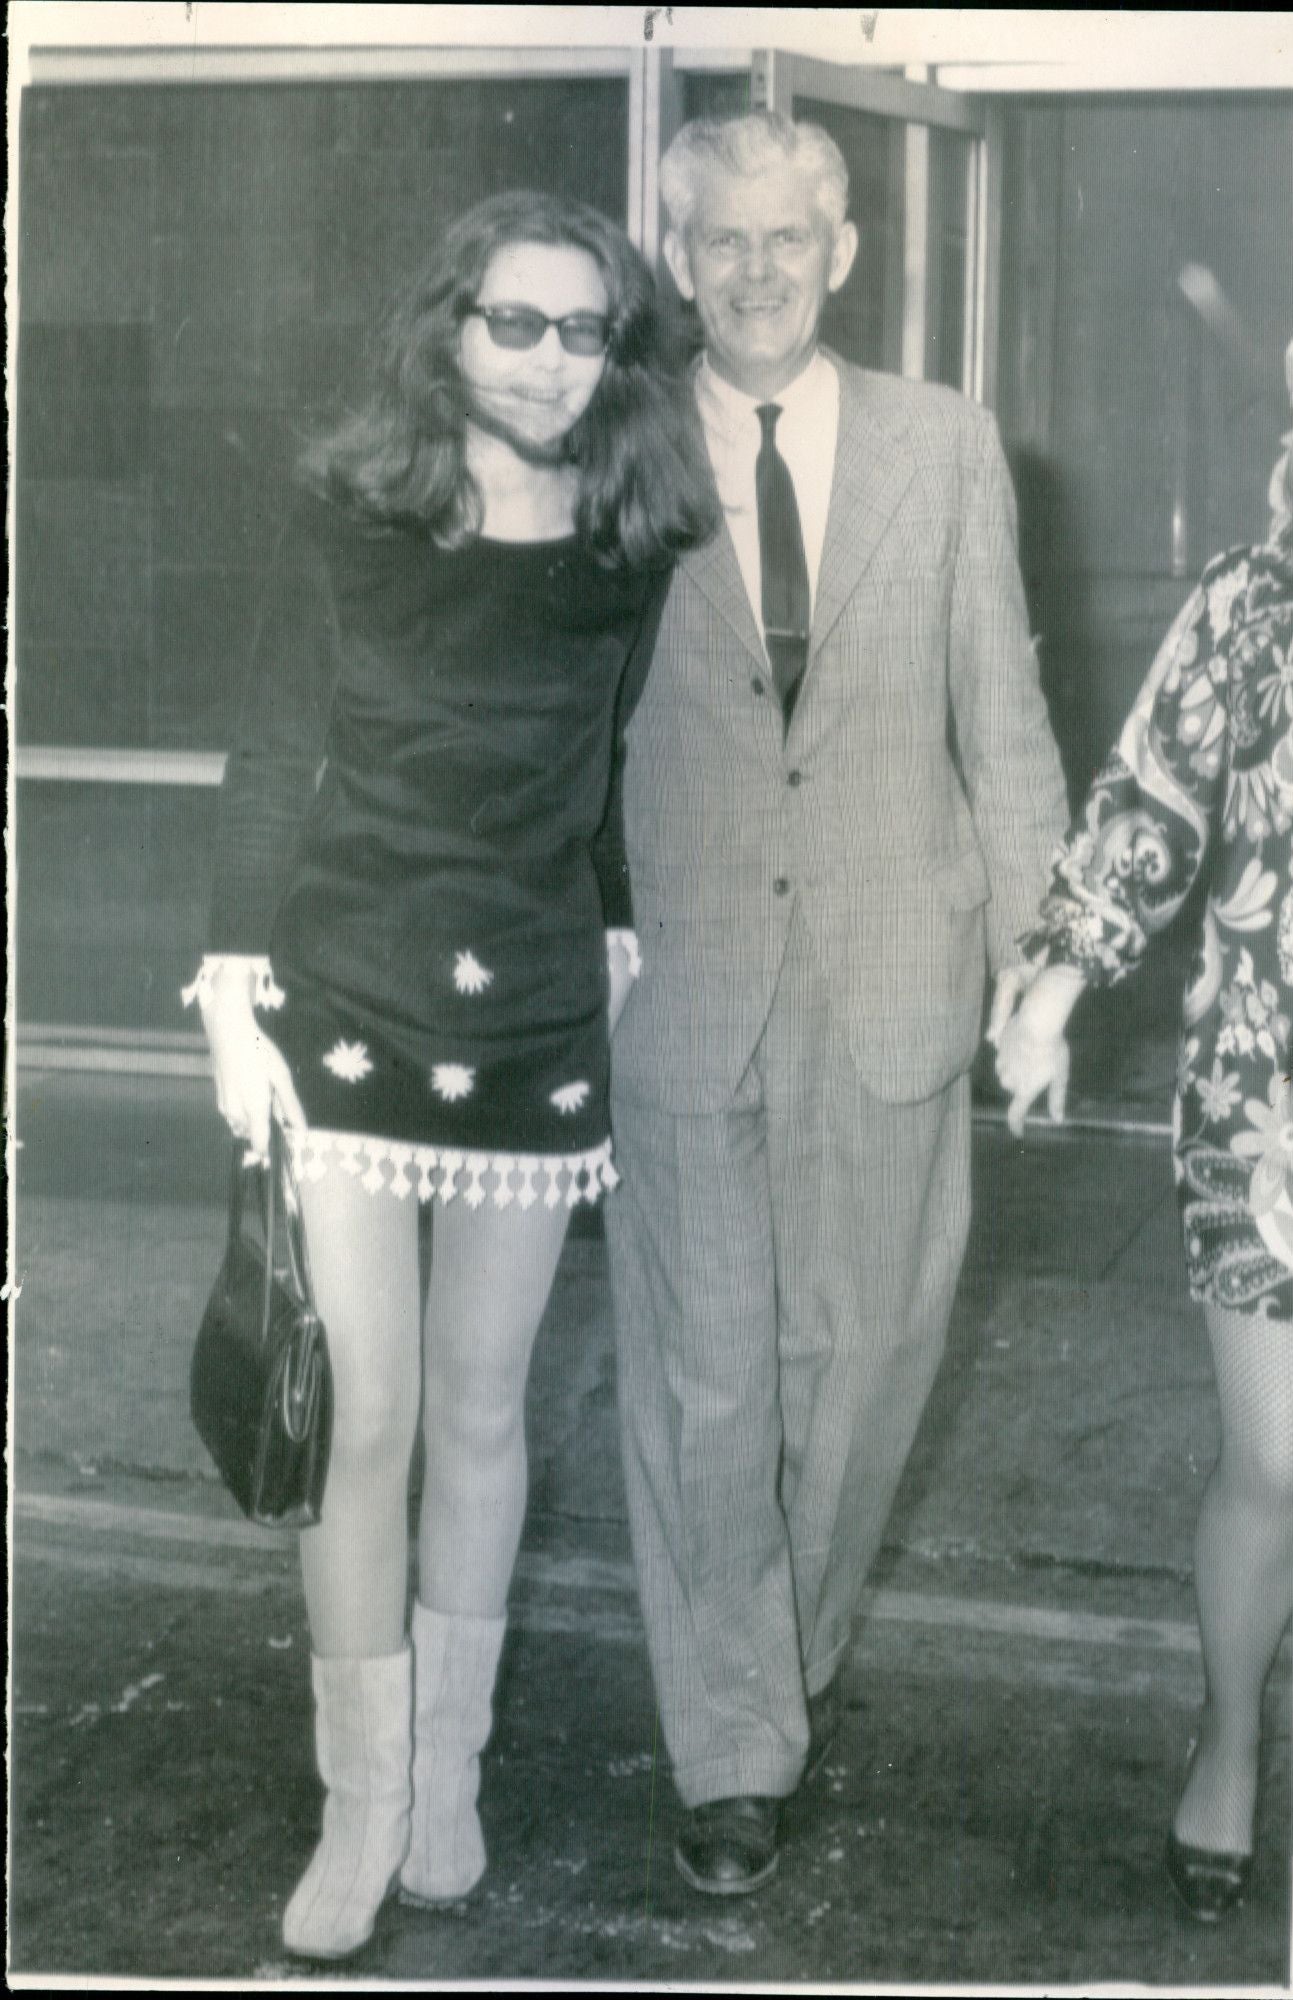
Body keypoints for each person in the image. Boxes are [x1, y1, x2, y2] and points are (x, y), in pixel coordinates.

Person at [184, 189, 715, 1961]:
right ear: (449, 329)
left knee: (487, 1416)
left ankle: (453, 1775)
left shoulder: (630, 540)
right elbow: (273, 750)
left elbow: (609, 763)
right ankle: (361, 1803)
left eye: (587, 332)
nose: (555, 363)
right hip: (348, 995)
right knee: (372, 1420)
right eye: (519, 324)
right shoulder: (350, 519)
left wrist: (617, 931)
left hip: (535, 1011)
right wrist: (229, 988)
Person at [603, 110, 1070, 1895]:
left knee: (864, 1366)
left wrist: (1041, 955)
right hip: (689, 975)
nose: (755, 271)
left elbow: (1001, 722)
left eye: (787, 239)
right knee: (709, 1378)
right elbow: (569, 715)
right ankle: (732, 1745)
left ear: (845, 250)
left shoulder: (946, 450)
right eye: (720, 241)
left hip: (893, 962)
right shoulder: (621, 448)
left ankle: (771, 1668)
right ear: (681, 258)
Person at [992, 335, 1293, 1924]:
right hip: (1273, 1101)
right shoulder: (1251, 606)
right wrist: (1052, 985)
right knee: (1279, 1455)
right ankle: (1236, 1730)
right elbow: (1148, 809)